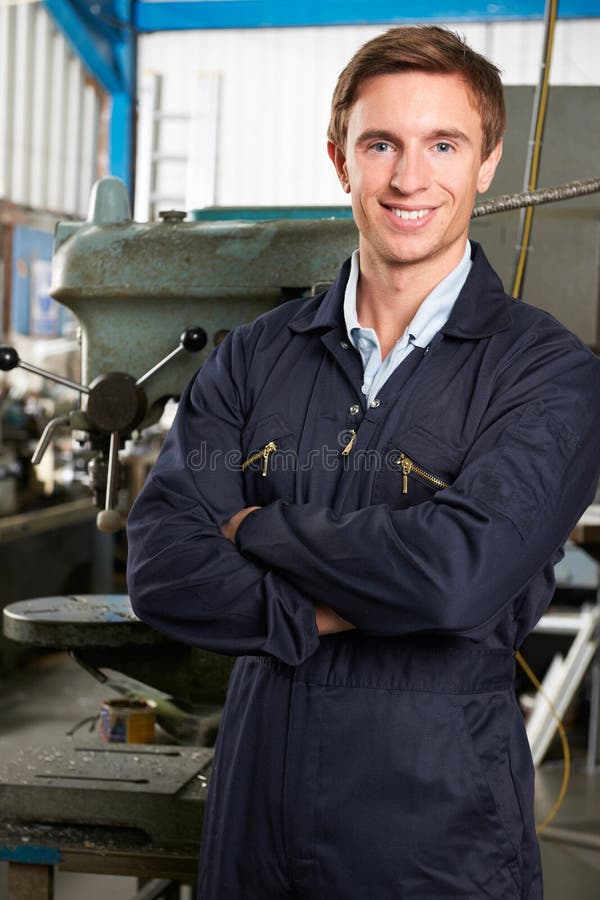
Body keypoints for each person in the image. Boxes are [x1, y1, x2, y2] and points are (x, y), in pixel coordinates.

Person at [127, 25, 600, 900]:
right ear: (341, 159)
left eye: (443, 144)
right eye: (381, 143)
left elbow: (456, 578)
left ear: (487, 161)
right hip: (253, 828)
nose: (410, 178)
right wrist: (345, 603)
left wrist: (253, 526)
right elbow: (162, 569)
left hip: (434, 839)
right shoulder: (254, 357)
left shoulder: (550, 373)